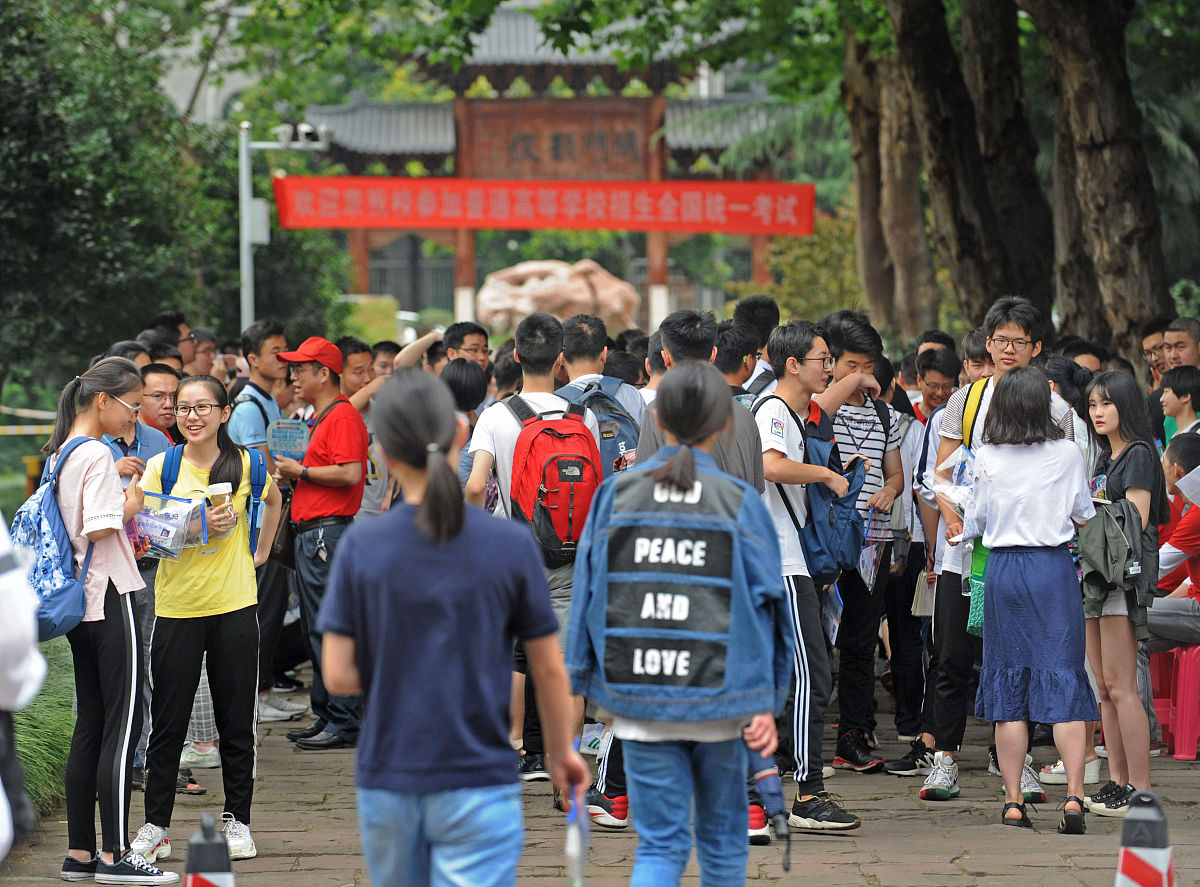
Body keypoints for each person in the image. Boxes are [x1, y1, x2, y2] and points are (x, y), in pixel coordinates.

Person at [319, 369, 587, 887]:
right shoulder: (509, 544)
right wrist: (561, 756)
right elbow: (550, 671)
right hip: (480, 776)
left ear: (383, 454)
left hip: (390, 775)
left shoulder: (363, 547)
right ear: (462, 435)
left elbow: (338, 676)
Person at [566, 361, 792, 886]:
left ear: (656, 419)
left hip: (640, 697)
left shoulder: (615, 496)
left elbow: (588, 599)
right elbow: (770, 610)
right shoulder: (738, 502)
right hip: (723, 700)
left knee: (661, 846)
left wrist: (577, 691)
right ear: (726, 423)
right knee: (721, 846)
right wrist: (769, 699)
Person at [917, 297, 1072, 803]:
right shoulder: (966, 401)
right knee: (951, 656)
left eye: (1019, 341)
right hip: (964, 552)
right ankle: (943, 757)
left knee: (1016, 659)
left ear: (1037, 348)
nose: (1008, 350)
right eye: (1000, 341)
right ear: (987, 344)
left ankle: (1016, 762)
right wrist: (955, 513)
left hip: (1022, 554)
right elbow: (938, 474)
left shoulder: (1056, 407)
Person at [132, 375, 282, 863]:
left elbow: (275, 500)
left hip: (235, 605)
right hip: (177, 608)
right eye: (182, 408)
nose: (191, 417)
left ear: (223, 413)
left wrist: (257, 555)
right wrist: (200, 522)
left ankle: (237, 820)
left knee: (236, 721)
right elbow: (147, 537)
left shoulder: (248, 464)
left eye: (202, 407)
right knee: (168, 726)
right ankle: (156, 826)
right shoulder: (162, 467)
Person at [47, 358, 179, 885]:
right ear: (103, 402)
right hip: (111, 594)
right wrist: (136, 497)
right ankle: (115, 854)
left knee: (91, 727)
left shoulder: (62, 452)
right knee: (123, 730)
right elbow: (102, 527)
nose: (136, 416)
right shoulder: (98, 454)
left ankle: (80, 853)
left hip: (81, 603)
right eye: (131, 404)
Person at [465, 313, 600, 785]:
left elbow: (476, 484)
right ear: (561, 360)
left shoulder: (497, 416)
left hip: (510, 555)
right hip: (571, 553)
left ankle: (511, 753)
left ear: (517, 356)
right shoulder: (585, 416)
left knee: (508, 654)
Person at [969, 367, 1097, 831]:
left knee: (1008, 684)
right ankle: (1075, 799)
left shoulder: (986, 455)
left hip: (1003, 572)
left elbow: (978, 519)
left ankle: (1013, 801)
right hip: (1051, 569)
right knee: (1063, 676)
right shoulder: (1067, 452)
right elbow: (1082, 511)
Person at [753, 320, 861, 830]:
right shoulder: (773, 411)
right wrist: (828, 475)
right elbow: (771, 467)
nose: (828, 367)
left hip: (791, 562)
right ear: (792, 364)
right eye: (822, 359)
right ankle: (807, 791)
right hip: (780, 564)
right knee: (810, 674)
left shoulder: (799, 413)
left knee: (795, 675)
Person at [817, 310, 903, 772]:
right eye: (852, 365)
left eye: (868, 366)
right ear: (830, 363)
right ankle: (803, 738)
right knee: (815, 641)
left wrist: (889, 491)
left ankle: (852, 733)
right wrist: (845, 386)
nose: (862, 375)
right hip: (825, 543)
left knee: (860, 641)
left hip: (872, 542)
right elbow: (818, 418)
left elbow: (896, 475)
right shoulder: (815, 406)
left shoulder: (885, 414)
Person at [273, 337, 369, 751]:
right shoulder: (322, 416)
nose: (293, 376)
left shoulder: (342, 416)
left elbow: (349, 474)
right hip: (316, 534)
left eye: (301, 368)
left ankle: (345, 720)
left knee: (331, 627)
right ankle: (328, 713)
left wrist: (303, 471)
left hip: (327, 534)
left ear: (323, 373)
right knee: (318, 627)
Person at [1083, 370, 1170, 816]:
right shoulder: (1103, 458)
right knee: (1103, 686)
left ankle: (1140, 790)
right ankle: (1117, 782)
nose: (1098, 412)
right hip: (1093, 576)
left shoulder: (1137, 454)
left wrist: (1084, 514)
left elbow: (1134, 518)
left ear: (1126, 407)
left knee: (1121, 687)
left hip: (1119, 578)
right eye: (1094, 405)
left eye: (1107, 404)